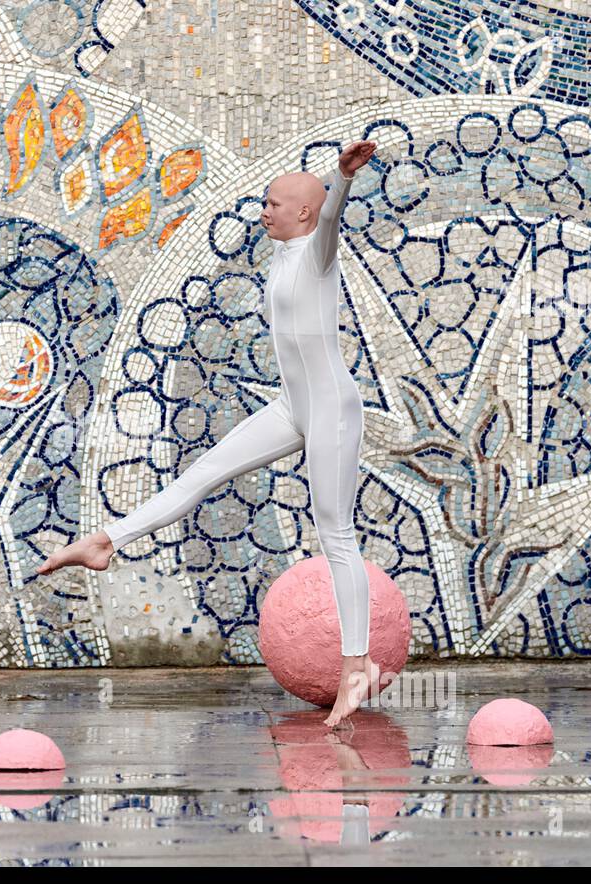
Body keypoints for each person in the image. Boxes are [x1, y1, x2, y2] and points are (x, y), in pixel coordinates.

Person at [39, 140, 380, 727]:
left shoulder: (317, 253)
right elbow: (308, 222)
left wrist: (340, 180)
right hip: (293, 407)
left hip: (332, 411)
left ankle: (358, 665)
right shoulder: (284, 253)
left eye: (273, 204)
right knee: (200, 474)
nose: (263, 211)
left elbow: (328, 221)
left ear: (302, 213)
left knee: (336, 535)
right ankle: (106, 542)